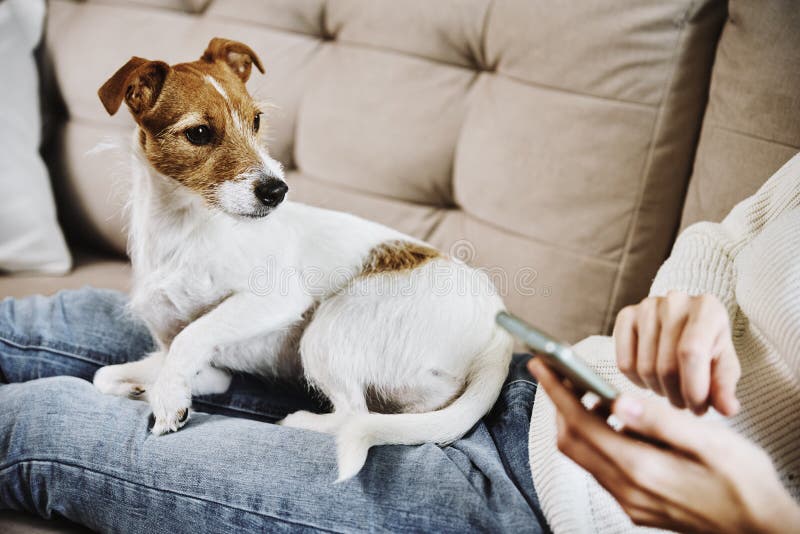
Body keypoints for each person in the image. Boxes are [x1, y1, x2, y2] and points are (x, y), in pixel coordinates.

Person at [1, 154, 799, 532]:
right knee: (59, 323)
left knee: (40, 426)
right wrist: (686, 294)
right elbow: (729, 237)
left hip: (546, 501)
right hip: (527, 369)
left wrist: (756, 519)